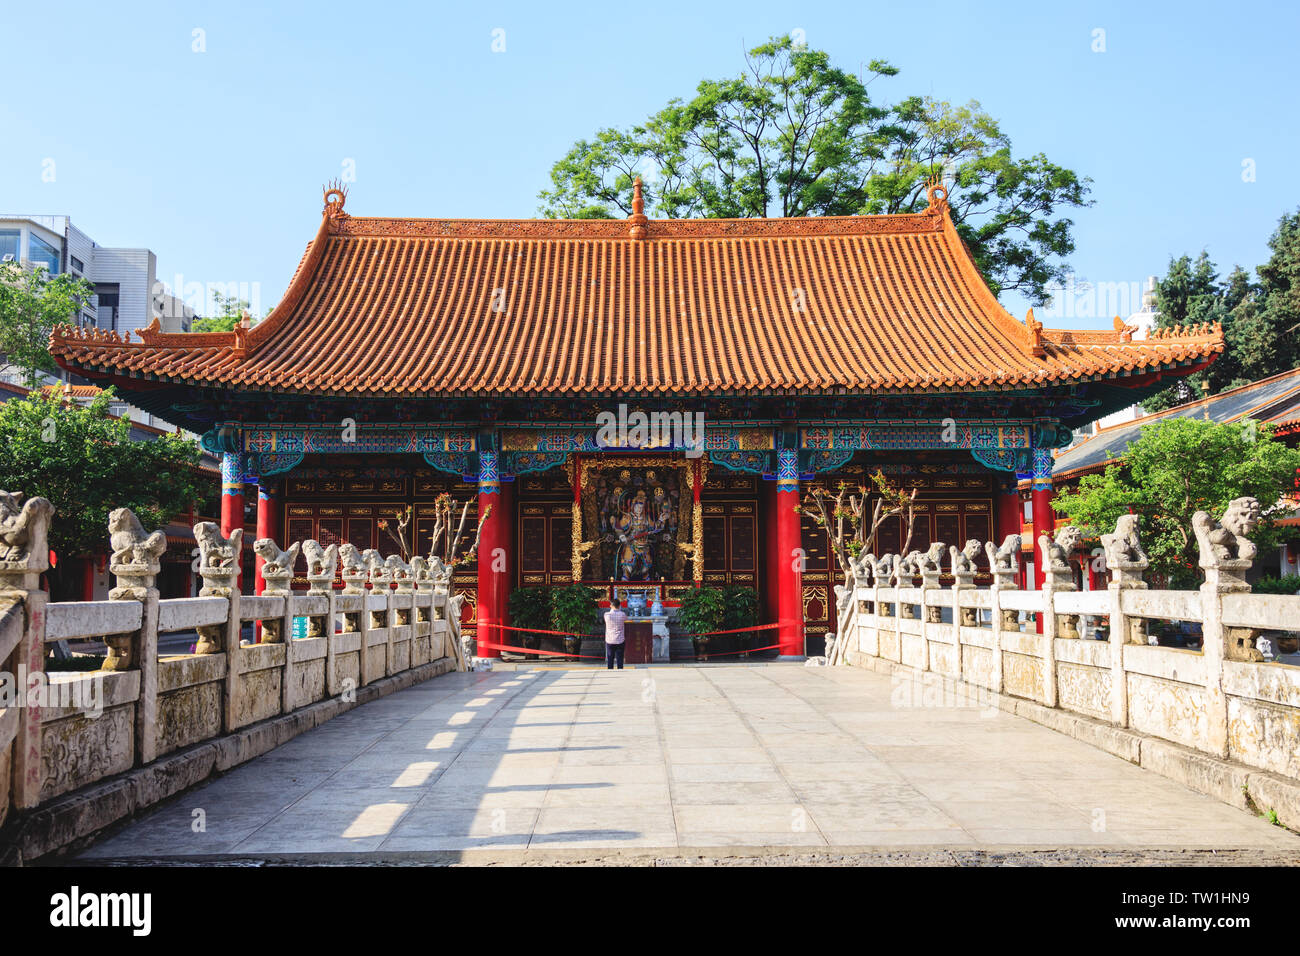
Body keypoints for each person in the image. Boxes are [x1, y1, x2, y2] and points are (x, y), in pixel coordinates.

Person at [604, 597, 627, 670]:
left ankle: (610, 670)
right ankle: (620, 670)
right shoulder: (623, 614)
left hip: (610, 639)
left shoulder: (607, 615)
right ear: (619, 606)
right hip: (620, 639)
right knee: (620, 658)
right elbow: (626, 620)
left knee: (610, 657)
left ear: (611, 605)